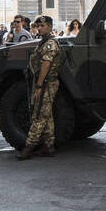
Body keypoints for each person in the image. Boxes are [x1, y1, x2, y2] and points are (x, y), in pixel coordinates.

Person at [17, 15, 63, 160]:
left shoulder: (50, 43)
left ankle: (29, 147)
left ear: (50, 26)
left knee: (39, 115)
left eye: (43, 26)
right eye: (38, 26)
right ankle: (48, 146)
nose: (40, 28)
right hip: (44, 82)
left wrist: (39, 84)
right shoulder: (44, 42)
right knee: (47, 115)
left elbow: (46, 64)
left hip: (46, 83)